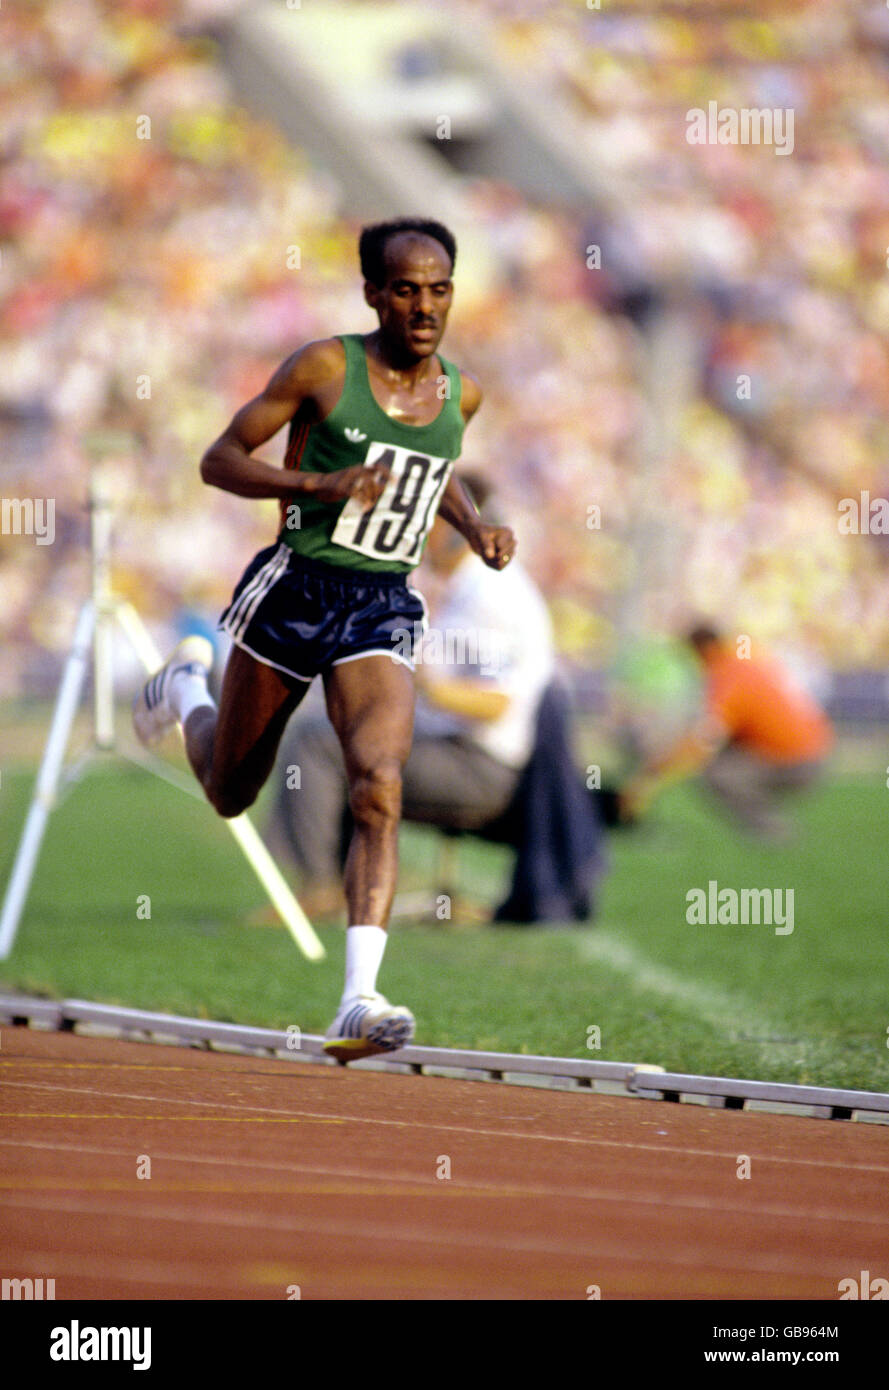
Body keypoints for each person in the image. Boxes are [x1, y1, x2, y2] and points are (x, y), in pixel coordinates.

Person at [132, 217, 517, 1063]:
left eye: (439, 290)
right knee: (230, 790)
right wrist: (318, 482)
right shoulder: (322, 368)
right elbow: (218, 459)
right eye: (406, 289)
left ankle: (357, 998)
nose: (424, 307)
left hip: (380, 605)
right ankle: (186, 689)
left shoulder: (461, 394)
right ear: (374, 293)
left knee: (379, 781)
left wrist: (475, 525)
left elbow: (435, 468)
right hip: (293, 590)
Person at [270, 477, 555, 919]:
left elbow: (497, 703)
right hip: (464, 753)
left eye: (428, 523)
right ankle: (341, 884)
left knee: (318, 742)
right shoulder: (476, 586)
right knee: (341, 728)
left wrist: (415, 678)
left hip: (478, 767)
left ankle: (321, 888)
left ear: (457, 529)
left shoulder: (490, 595)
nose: (417, 536)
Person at [620, 623, 834, 839]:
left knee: (717, 772)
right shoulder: (748, 661)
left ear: (702, 649)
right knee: (720, 755)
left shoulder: (727, 676)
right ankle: (771, 830)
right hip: (818, 749)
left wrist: (648, 780)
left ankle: (773, 834)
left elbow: (700, 745)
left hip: (797, 762)